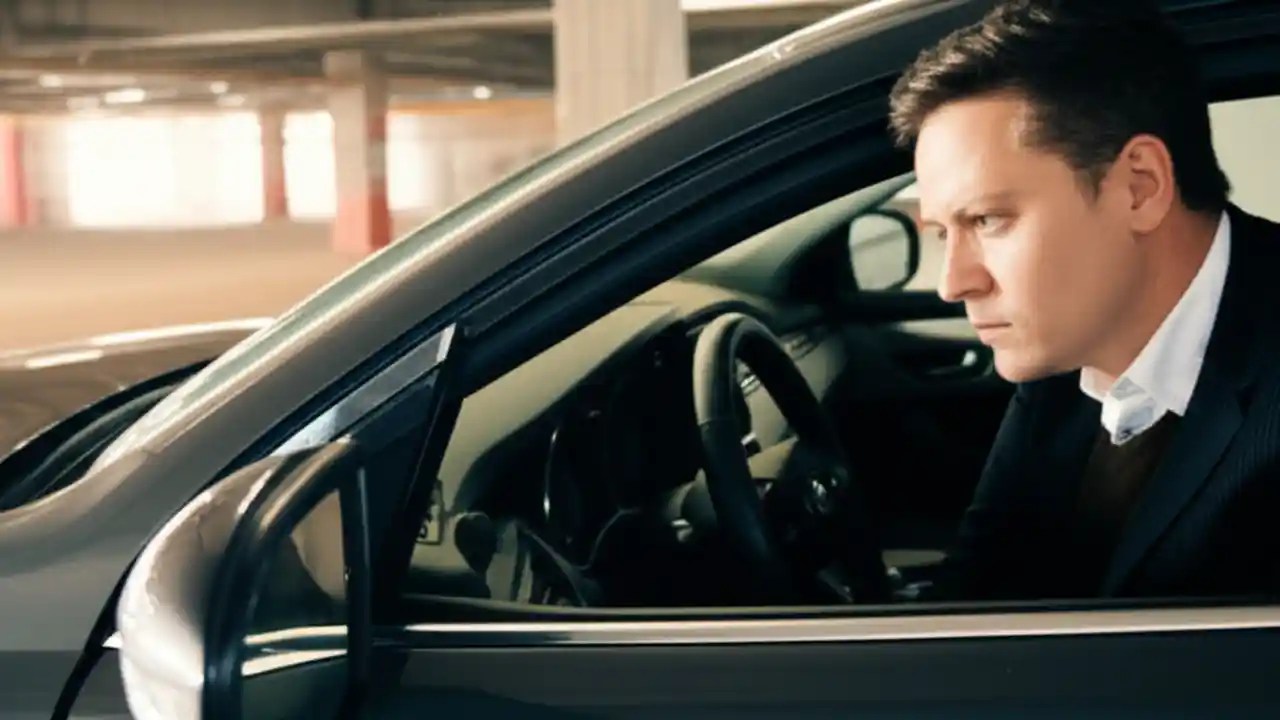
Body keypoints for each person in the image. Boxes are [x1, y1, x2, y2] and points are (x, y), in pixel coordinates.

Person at [888, 0, 1280, 600]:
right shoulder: (1068, 343)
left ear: (1139, 187)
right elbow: (976, 597)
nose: (954, 282)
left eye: (988, 220)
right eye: (944, 234)